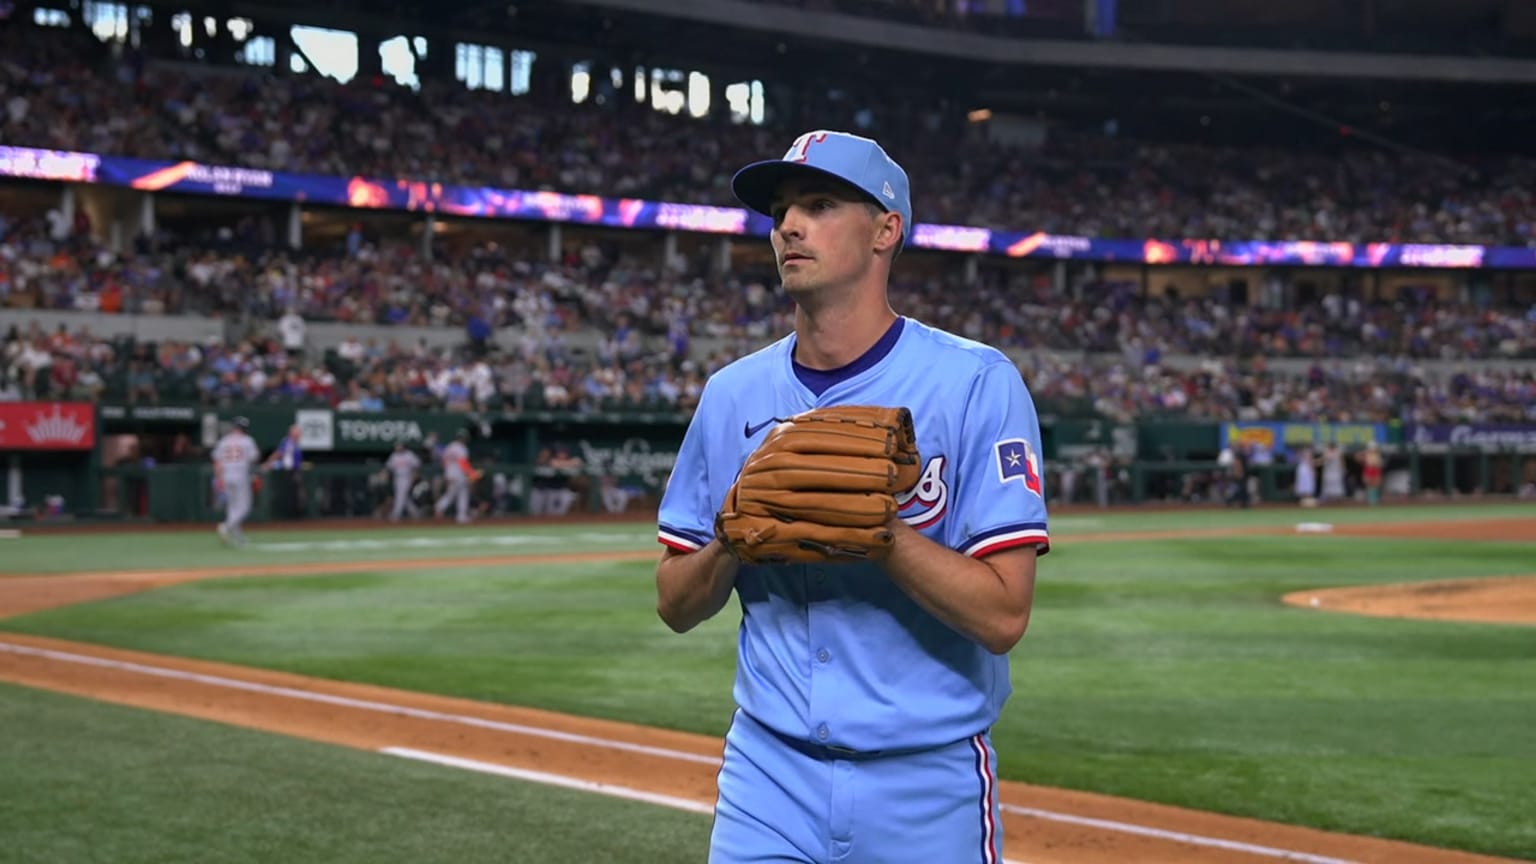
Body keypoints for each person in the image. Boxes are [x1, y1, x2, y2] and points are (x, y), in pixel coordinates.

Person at [654, 130, 1048, 864]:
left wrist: (884, 534)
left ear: (886, 230)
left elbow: (1003, 615)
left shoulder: (974, 384)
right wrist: (729, 542)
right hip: (767, 777)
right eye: (780, 211)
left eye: (821, 203)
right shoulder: (731, 394)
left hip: (925, 785)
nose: (789, 226)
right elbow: (675, 603)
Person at [211, 416, 261, 547]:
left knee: (233, 508)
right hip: (240, 476)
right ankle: (226, 527)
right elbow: (254, 457)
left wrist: (219, 479)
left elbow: (217, 462)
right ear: (244, 428)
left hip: (226, 476)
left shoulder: (223, 441)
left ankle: (239, 539)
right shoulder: (247, 441)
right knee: (244, 507)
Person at [263, 424, 304, 519]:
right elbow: (278, 454)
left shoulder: (295, 443)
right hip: (288, 472)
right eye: (296, 432)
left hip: (294, 471)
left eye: (299, 432)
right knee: (289, 495)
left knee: (296, 496)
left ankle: (294, 516)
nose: (299, 434)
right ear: (291, 433)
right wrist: (268, 463)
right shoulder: (288, 442)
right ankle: (288, 516)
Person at [434, 429, 475, 523]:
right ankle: (442, 507)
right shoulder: (461, 448)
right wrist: (471, 473)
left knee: (456, 494)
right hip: (458, 474)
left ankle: (459, 515)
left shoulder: (450, 446)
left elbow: (444, 461)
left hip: (450, 473)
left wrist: (447, 474)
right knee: (459, 494)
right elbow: (463, 463)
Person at [384, 441, 422, 521]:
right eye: (397, 446)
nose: (397, 447)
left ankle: (396, 514)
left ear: (404, 446)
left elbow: (417, 464)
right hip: (397, 478)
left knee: (400, 496)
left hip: (406, 477)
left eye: (399, 446)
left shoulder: (409, 455)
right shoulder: (394, 456)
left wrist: (414, 475)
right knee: (404, 498)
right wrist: (385, 475)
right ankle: (415, 513)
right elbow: (389, 467)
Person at [1360, 442, 1384, 506]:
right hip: (1369, 469)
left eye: (1373, 447)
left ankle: (1375, 500)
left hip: (1375, 470)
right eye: (1371, 447)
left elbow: (1380, 464)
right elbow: (1357, 457)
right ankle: (1370, 500)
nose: (1372, 449)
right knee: (1369, 485)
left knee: (1376, 485)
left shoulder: (1377, 454)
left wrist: (1376, 464)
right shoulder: (1366, 453)